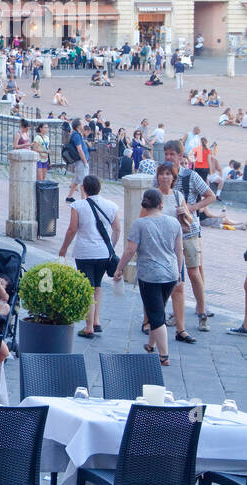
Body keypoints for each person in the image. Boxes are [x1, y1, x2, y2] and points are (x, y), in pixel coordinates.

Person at [113, 189, 185, 366]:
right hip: (170, 272)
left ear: (145, 204)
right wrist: (180, 273)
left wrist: (119, 268)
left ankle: (164, 355)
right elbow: (179, 251)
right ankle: (151, 344)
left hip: (150, 274)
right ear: (161, 204)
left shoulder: (140, 224)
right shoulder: (174, 223)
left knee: (156, 314)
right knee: (158, 308)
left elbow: (130, 250)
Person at [157, 142, 215, 332]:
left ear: (181, 156)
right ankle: (176, 312)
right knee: (173, 275)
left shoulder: (191, 176)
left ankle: (201, 310)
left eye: (172, 154)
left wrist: (191, 208)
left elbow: (210, 195)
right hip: (167, 233)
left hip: (188, 230)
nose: (168, 157)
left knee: (193, 271)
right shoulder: (160, 176)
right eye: (166, 154)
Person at [57, 175, 120, 340]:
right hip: (103, 253)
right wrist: (110, 247)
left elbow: (72, 229)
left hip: (84, 252)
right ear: (100, 187)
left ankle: (89, 326)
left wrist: (63, 249)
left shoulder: (78, 205)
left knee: (88, 288)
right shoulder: (111, 205)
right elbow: (117, 229)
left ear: (83, 188)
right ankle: (96, 320)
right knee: (97, 286)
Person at [65, 118, 91, 203]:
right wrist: (85, 162)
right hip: (81, 161)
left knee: (77, 180)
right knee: (83, 181)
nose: (83, 124)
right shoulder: (76, 135)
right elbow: (79, 149)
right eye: (82, 123)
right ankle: (83, 199)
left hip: (81, 160)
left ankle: (69, 196)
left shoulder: (77, 134)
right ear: (78, 125)